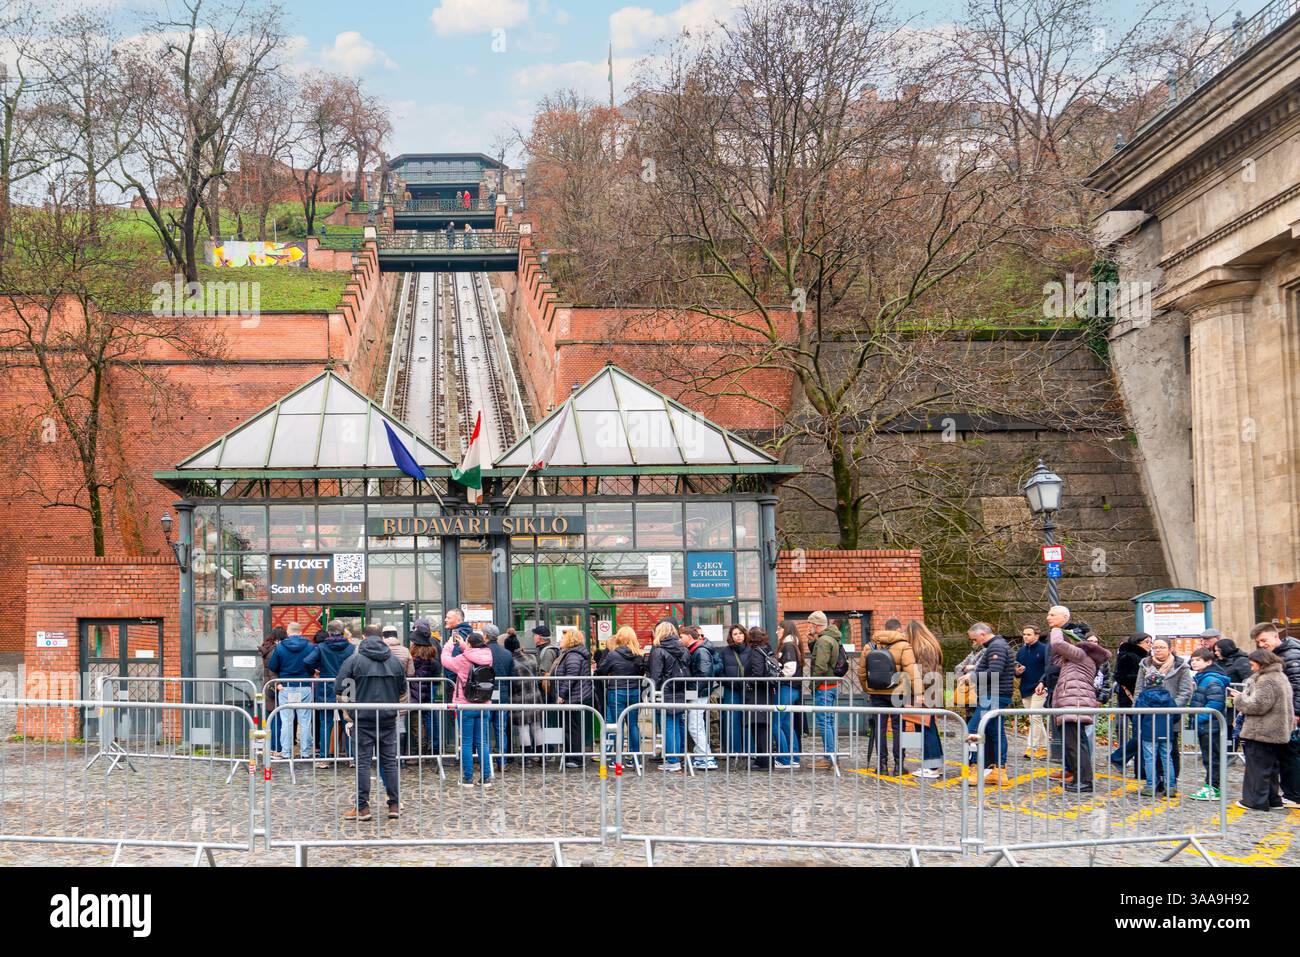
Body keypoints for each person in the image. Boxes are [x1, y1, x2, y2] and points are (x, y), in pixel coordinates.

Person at [335, 624, 407, 821]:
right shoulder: (394, 662)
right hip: (387, 718)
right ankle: (394, 805)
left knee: (363, 764)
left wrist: (351, 702)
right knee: (390, 763)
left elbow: (340, 687)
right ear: (382, 637)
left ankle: (362, 807)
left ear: (365, 637)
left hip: (363, 718)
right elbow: (402, 689)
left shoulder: (354, 660)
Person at [1048, 610, 1110, 794]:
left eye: (1052, 615)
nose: (1048, 618)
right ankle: (1079, 779)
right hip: (1071, 703)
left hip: (1074, 703)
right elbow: (1057, 658)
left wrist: (1058, 628)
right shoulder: (1076, 659)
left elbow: (1057, 643)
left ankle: (1084, 781)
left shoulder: (1081, 655)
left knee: (1076, 744)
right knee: (1074, 744)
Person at [1230, 648, 1296, 812]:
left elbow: (1258, 705)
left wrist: (1238, 699)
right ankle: (1273, 800)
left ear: (1261, 664)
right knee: (1271, 768)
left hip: (1262, 731)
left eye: (1253, 665)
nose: (1251, 668)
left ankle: (1255, 801)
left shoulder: (1267, 679)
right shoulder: (1280, 676)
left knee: (1257, 768)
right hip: (1276, 731)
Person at [860, 619, 922, 775]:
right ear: (898, 629)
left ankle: (881, 766)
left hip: (877, 694)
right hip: (898, 693)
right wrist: (919, 693)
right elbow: (912, 672)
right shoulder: (903, 646)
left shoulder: (869, 646)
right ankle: (898, 766)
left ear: (884, 629)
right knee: (898, 729)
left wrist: (868, 689)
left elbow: (861, 672)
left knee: (879, 730)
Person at [1250, 622, 1300, 807]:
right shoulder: (1281, 654)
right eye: (1258, 642)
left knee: (1290, 754)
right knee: (1286, 754)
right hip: (1284, 713)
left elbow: (1298, 685)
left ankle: (1294, 794)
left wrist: (1296, 713)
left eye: (1264, 640)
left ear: (1275, 636)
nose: (1262, 645)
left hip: (1290, 714)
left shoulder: (1291, 655)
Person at [1135, 636, 1194, 792]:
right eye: (1155, 647)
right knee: (1149, 751)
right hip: (1148, 716)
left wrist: (1171, 708)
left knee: (1170, 750)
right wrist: (1138, 708)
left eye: (1161, 647)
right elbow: (1138, 689)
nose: (1158, 650)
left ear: (1170, 649)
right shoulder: (1145, 665)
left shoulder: (1181, 667)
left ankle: (1171, 783)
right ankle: (1154, 782)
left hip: (1170, 714)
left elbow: (1185, 691)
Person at [441, 630, 496, 787]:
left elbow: (445, 660)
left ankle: (467, 778)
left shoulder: (463, 659)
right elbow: (474, 654)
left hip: (466, 704)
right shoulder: (488, 657)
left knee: (466, 742)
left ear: (470, 644)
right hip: (484, 704)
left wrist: (451, 643)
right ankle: (485, 778)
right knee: (482, 742)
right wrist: (466, 645)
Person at [965, 622, 1014, 785]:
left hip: (994, 695)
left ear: (982, 634)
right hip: (996, 695)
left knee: (973, 730)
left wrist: (971, 677)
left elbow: (995, 672)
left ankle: (976, 769)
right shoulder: (998, 645)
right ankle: (999, 771)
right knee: (995, 732)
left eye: (974, 639)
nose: (975, 642)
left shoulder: (996, 647)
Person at [267, 622, 319, 761]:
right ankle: (305, 752)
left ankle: (286, 752)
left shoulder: (280, 647)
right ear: (300, 632)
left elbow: (272, 666)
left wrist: (278, 682)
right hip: (304, 687)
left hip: (286, 687)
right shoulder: (310, 646)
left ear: (288, 632)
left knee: (286, 721)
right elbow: (314, 664)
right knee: (305, 720)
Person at [596, 626, 645, 761]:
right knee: (633, 724)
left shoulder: (613, 654)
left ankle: (617, 759)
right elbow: (641, 673)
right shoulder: (639, 654)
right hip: (634, 691)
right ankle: (636, 757)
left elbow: (601, 671)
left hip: (617, 690)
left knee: (618, 725)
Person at [903, 620, 946, 778]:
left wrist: (918, 692)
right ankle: (934, 763)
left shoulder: (923, 649)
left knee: (926, 729)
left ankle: (932, 766)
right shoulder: (930, 646)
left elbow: (925, 674)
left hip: (925, 695)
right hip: (929, 694)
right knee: (928, 728)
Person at [1188, 647, 1230, 800]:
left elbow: (1215, 704)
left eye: (1198, 660)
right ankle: (1212, 785)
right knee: (1209, 757)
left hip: (1210, 726)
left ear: (1209, 662)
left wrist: (1197, 718)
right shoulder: (1203, 678)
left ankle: (1214, 787)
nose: (1194, 663)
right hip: (1206, 725)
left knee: (1212, 758)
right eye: (1193, 660)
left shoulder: (1211, 680)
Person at [648, 621, 690, 771]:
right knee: (677, 724)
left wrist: (653, 691)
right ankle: (677, 757)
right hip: (680, 690)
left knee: (668, 726)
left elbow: (656, 674)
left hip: (665, 691)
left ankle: (672, 760)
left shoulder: (658, 650)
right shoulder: (683, 649)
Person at [313, 620, 356, 767]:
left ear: (328, 631)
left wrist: (318, 668)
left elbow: (307, 661)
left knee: (326, 723)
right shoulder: (351, 648)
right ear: (343, 631)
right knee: (349, 722)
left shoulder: (321, 647)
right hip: (347, 687)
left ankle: (325, 758)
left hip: (326, 687)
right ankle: (352, 758)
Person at [1109, 634, 1151, 773]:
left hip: (1141, 699)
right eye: (1147, 642)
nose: (1149, 644)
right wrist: (1143, 678)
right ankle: (1118, 757)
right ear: (1137, 642)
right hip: (1131, 699)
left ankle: (1141, 768)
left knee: (1142, 733)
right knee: (1143, 734)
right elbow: (1121, 677)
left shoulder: (1145, 658)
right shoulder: (1128, 655)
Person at [552, 629, 593, 769]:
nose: (560, 641)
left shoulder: (573, 655)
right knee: (570, 727)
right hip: (574, 696)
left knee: (573, 728)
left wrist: (562, 694)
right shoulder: (571, 654)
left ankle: (575, 758)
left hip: (574, 697)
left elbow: (571, 676)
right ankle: (571, 756)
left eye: (563, 638)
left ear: (570, 640)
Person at [808, 612, 842, 770]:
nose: (809, 627)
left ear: (816, 625)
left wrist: (813, 684)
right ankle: (833, 756)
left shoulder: (823, 641)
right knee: (830, 722)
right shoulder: (832, 638)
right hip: (832, 685)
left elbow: (820, 666)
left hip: (824, 687)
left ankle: (829, 758)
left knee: (824, 723)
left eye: (810, 624)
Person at [1133, 679, 1177, 798]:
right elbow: (1176, 714)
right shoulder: (1168, 696)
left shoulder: (1143, 697)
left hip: (1149, 732)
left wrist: (1137, 731)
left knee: (1149, 759)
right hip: (1166, 731)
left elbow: (1137, 715)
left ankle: (1151, 786)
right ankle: (1171, 786)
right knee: (1167, 759)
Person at [505, 633, 544, 763]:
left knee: (523, 728)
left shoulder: (511, 662)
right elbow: (538, 675)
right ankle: (541, 756)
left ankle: (526, 758)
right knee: (537, 726)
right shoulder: (532, 658)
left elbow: (512, 682)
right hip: (535, 696)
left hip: (519, 697)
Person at [743, 627, 777, 770]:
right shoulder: (767, 649)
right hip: (765, 693)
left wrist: (746, 682)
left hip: (758, 694)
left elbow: (757, 674)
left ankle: (764, 760)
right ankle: (764, 759)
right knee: (762, 727)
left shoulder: (756, 652)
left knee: (759, 727)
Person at [408, 619, 443, 758]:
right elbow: (437, 669)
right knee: (429, 718)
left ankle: (421, 750)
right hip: (428, 690)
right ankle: (433, 748)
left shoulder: (414, 657)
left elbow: (409, 672)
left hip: (415, 692)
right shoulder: (432, 653)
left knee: (416, 722)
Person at [482, 624, 515, 766]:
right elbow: (512, 675)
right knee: (501, 730)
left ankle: (486, 761)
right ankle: (502, 761)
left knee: (484, 730)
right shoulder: (507, 653)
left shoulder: (482, 652)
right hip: (502, 695)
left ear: (485, 636)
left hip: (485, 695)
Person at [1014, 625, 1049, 759]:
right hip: (1025, 687)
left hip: (1040, 688)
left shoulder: (1044, 649)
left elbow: (1048, 669)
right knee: (1034, 718)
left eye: (1029, 634)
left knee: (1035, 717)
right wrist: (1017, 672)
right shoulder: (1021, 651)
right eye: (1024, 634)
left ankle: (1031, 747)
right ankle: (1044, 748)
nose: (1025, 636)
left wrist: (1043, 682)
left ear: (1036, 636)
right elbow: (1017, 672)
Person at [772, 620, 803, 768]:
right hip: (791, 689)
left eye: (779, 629)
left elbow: (790, 668)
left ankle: (784, 758)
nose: (777, 631)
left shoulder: (788, 645)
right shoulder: (793, 644)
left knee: (776, 723)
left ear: (786, 630)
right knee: (786, 724)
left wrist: (778, 677)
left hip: (786, 688)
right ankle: (794, 757)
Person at [718, 624, 751, 762]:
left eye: (740, 633)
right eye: (735, 634)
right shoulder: (725, 652)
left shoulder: (751, 650)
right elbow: (720, 671)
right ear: (731, 636)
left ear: (745, 634)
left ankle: (749, 750)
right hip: (731, 689)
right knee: (731, 720)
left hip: (748, 689)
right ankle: (732, 750)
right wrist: (728, 682)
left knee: (749, 719)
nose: (738, 636)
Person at [260, 625, 286, 747]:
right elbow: (272, 671)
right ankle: (276, 746)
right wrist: (278, 684)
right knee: (277, 718)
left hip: (269, 685)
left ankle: (273, 745)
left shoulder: (268, 648)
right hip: (274, 687)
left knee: (272, 717)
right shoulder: (275, 650)